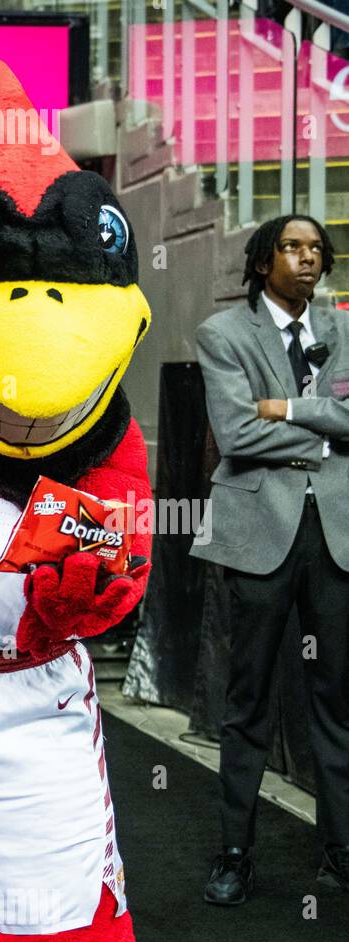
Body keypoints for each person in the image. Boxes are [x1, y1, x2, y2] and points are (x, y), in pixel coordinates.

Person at [193, 213, 349, 904]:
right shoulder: (222, 334)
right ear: (263, 262)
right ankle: (233, 854)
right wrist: (322, 427)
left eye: (317, 249)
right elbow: (234, 430)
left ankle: (341, 854)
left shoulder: (345, 329)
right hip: (260, 532)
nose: (307, 259)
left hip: (336, 533)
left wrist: (287, 408)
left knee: (337, 701)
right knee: (247, 700)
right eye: (292, 248)